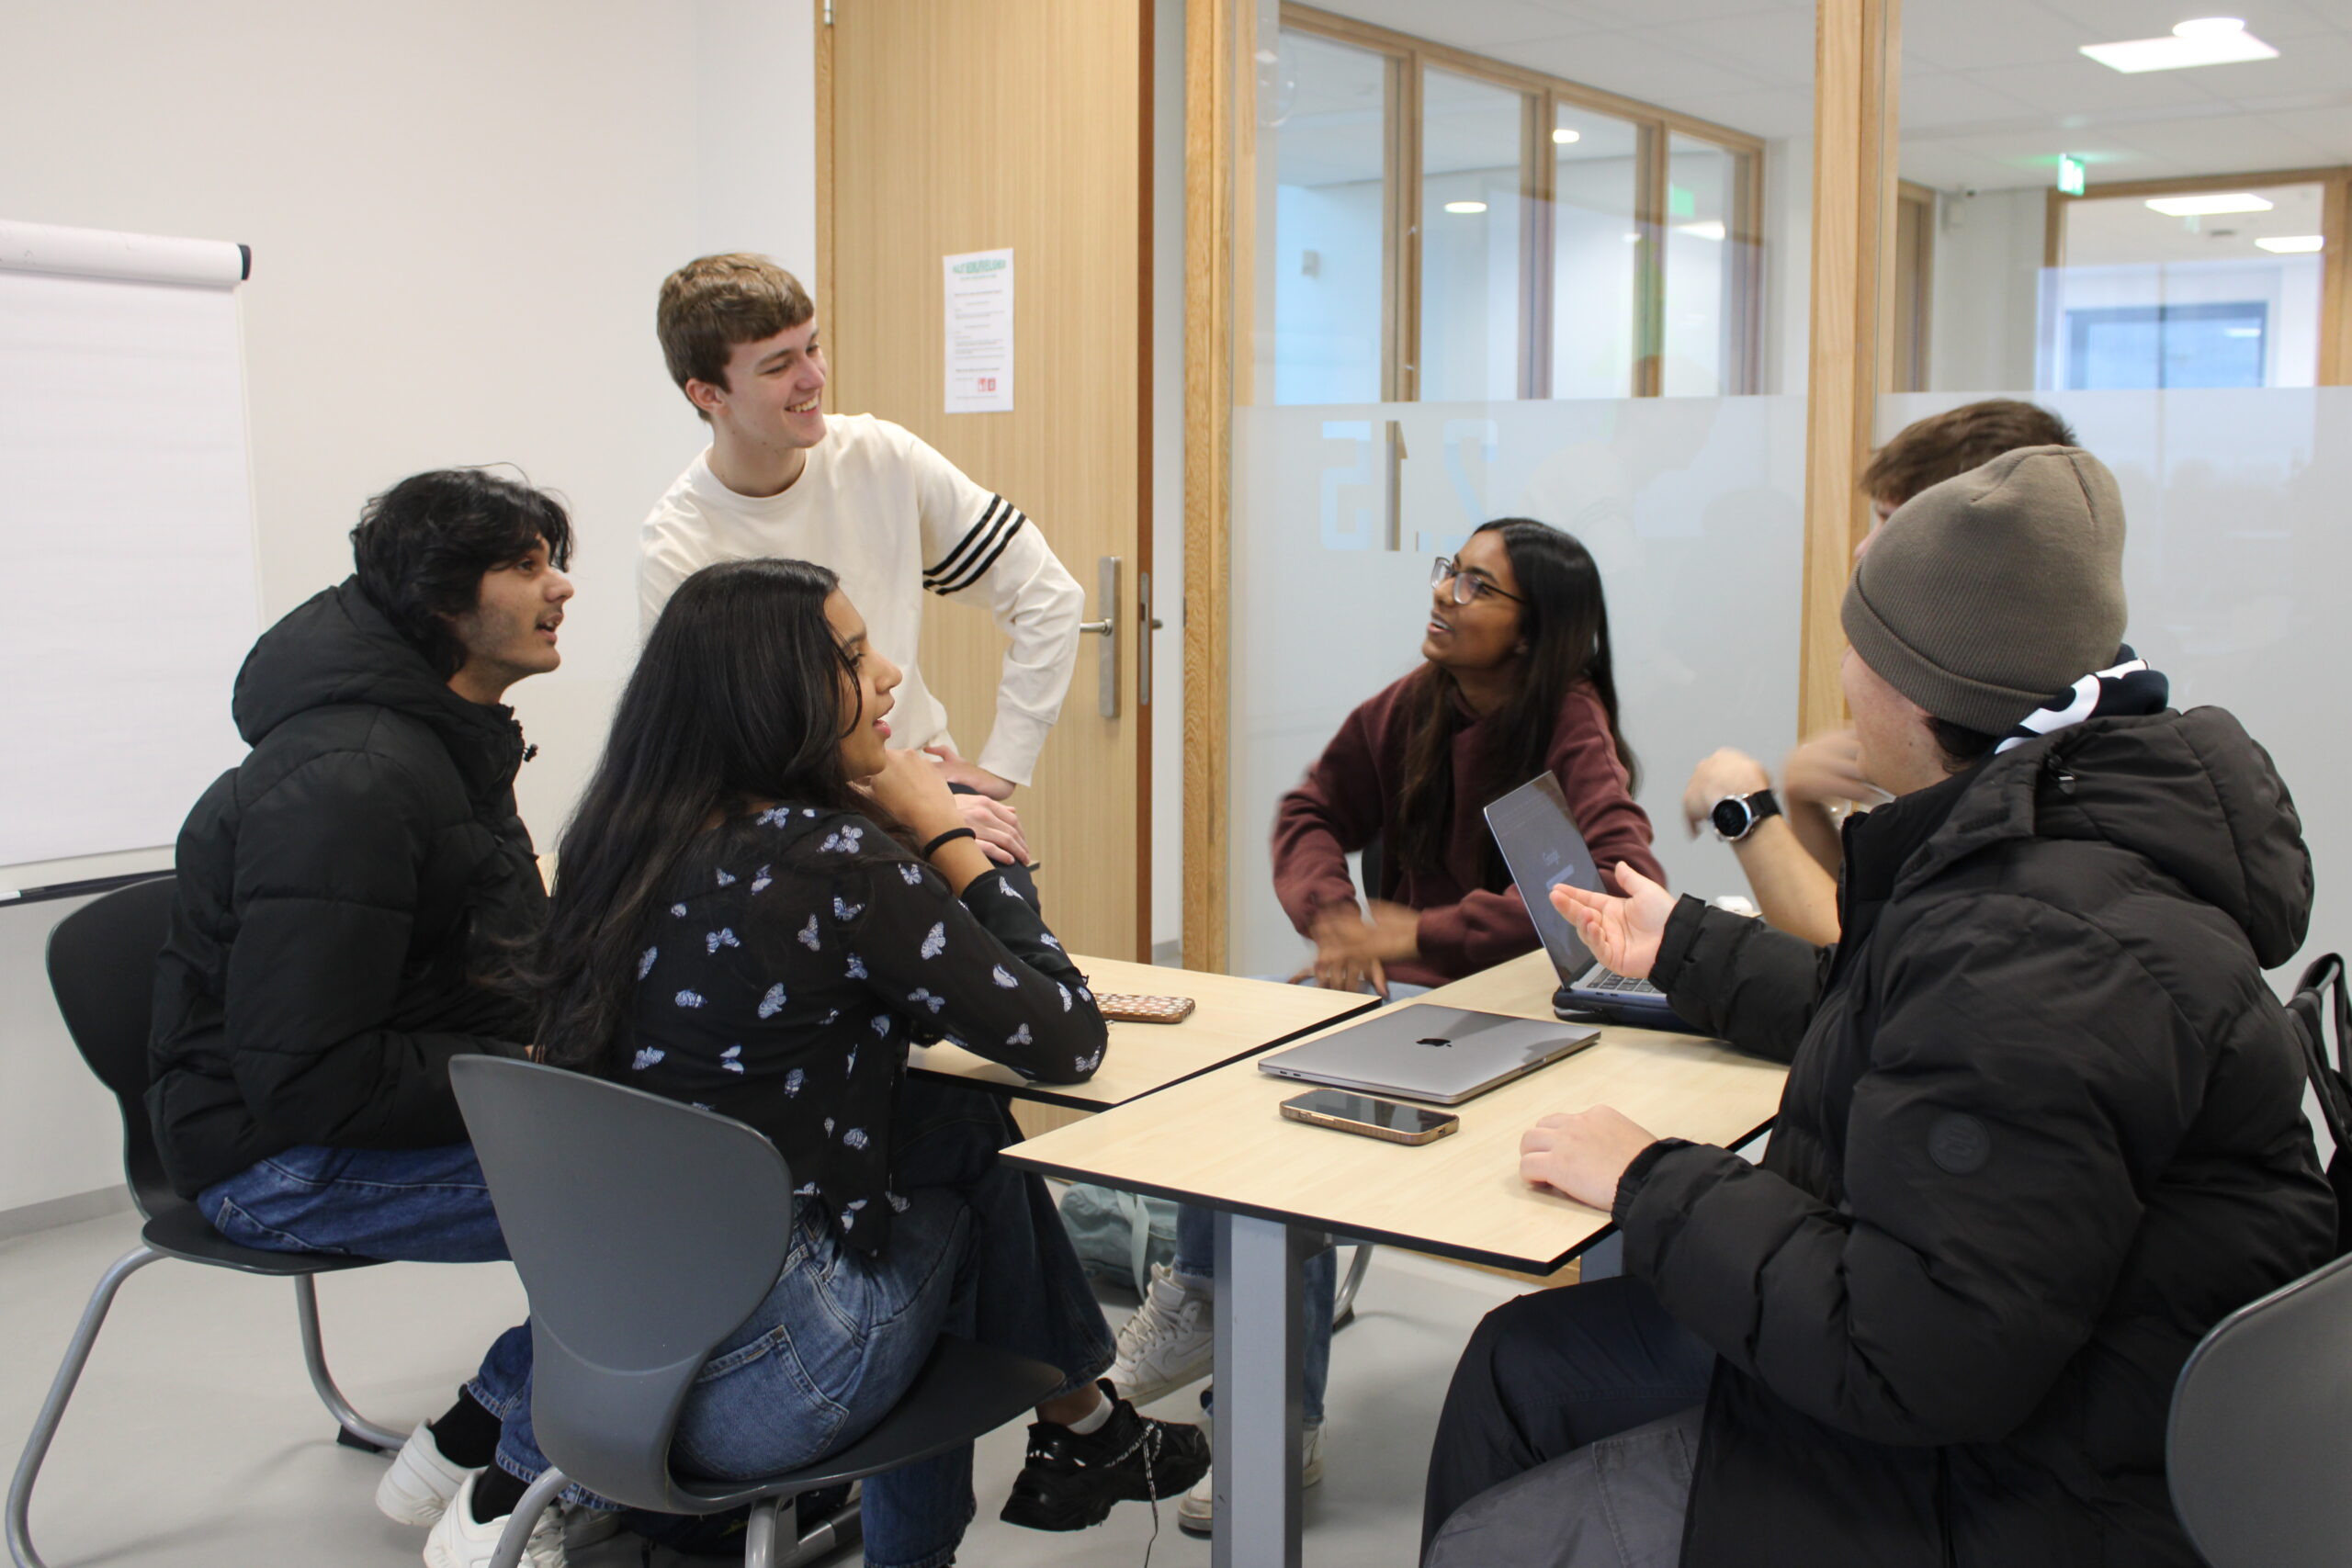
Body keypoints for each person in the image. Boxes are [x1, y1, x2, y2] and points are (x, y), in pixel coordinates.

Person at [1422, 446, 2337, 1568]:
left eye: (1856, 647)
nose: (1842, 678)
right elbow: (1903, 1026)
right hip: (2067, 1384)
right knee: (1525, 1362)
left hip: (2022, 1487)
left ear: (1914, 692)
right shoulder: (2067, 839)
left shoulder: (2034, 944)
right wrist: (1684, 946)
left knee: (1491, 1538)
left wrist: (1649, 1176)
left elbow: (1903, 1356)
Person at [423, 557, 1209, 1568]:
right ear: (769, 696)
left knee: (947, 1126)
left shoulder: (614, 843)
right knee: (973, 1167)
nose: (887, 675)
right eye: (850, 656)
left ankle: (1087, 1429)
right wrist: (945, 834)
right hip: (774, 1383)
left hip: (606, 1368)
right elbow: (1065, 1035)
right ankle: (1059, 1446)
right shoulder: (835, 865)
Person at [1112, 517, 1663, 1534]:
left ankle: (1247, 1379)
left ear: (1535, 633)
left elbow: (1616, 885)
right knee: (1251, 1077)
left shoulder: (1569, 723)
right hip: (1412, 1009)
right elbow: (1310, 812)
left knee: (1303, 1115)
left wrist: (1423, 933)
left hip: (1521, 1020)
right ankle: (1223, 1332)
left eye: (1476, 584)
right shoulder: (1414, 705)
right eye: (1449, 569)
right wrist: (1334, 917)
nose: (1446, 592)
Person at [146, 470, 576, 1537]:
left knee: (673, 1156)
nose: (560, 587)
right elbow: (309, 1077)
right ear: (441, 602)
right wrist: (538, 1069)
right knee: (672, 1197)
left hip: (349, 1105)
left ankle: (479, 1430)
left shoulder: (446, 734)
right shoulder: (352, 779)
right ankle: (510, 1495)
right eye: (524, 566)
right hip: (268, 1160)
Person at [639, 253, 1082, 878]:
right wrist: (902, 814)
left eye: (812, 348)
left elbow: (1048, 594)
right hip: (790, 834)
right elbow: (719, 754)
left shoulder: (881, 457)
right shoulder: (679, 543)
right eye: (778, 365)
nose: (813, 377)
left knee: (1017, 954)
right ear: (708, 393)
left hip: (919, 793)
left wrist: (1001, 764)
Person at [1681, 399, 2080, 943]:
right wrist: (1801, 800)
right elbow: (1860, 921)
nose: (1863, 546)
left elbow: (1867, 957)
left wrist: (1746, 812)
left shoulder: (2006, 735)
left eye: (1893, 522)